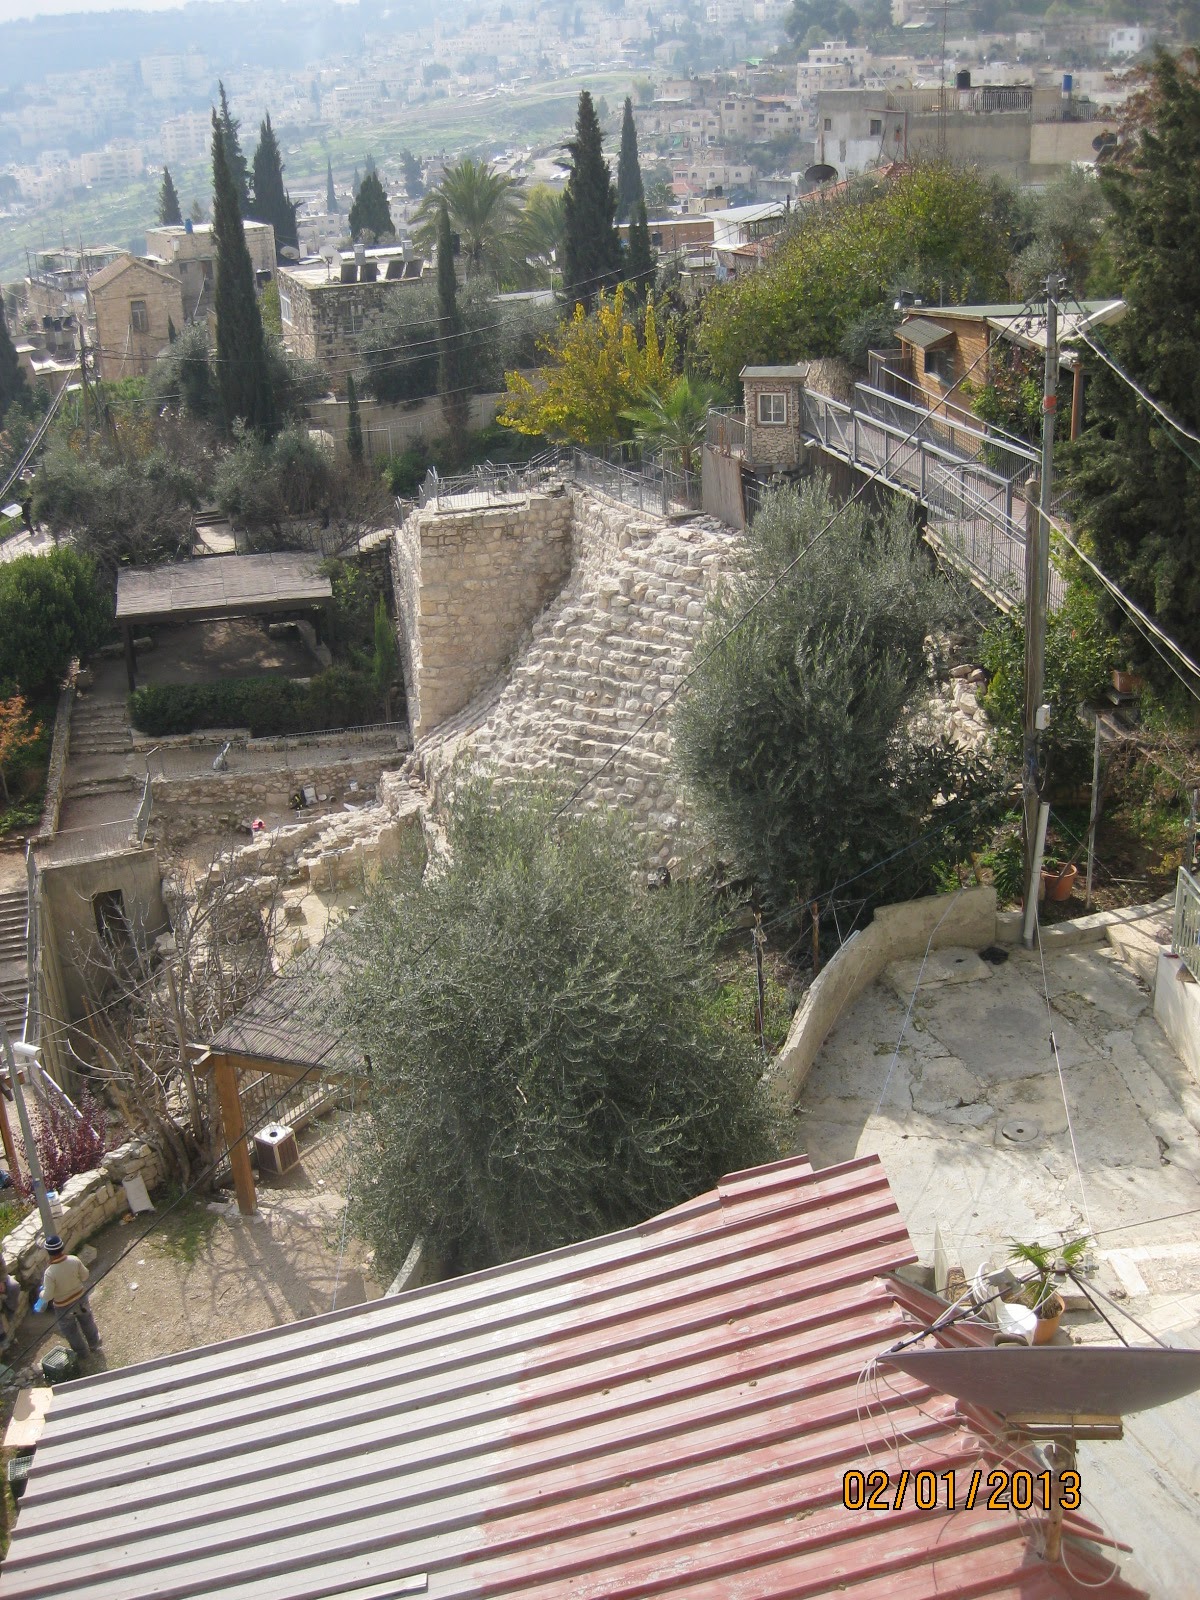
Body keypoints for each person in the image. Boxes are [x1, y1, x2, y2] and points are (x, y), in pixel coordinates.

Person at [40, 1236, 102, 1360]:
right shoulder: (74, 1260)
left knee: (70, 1331)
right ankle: (94, 1344)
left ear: (49, 1252)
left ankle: (82, 1353)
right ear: (62, 1247)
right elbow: (85, 1276)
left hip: (63, 1306)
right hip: (80, 1299)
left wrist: (41, 1293)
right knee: (87, 1321)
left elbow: (48, 1296)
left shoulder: (50, 1272)